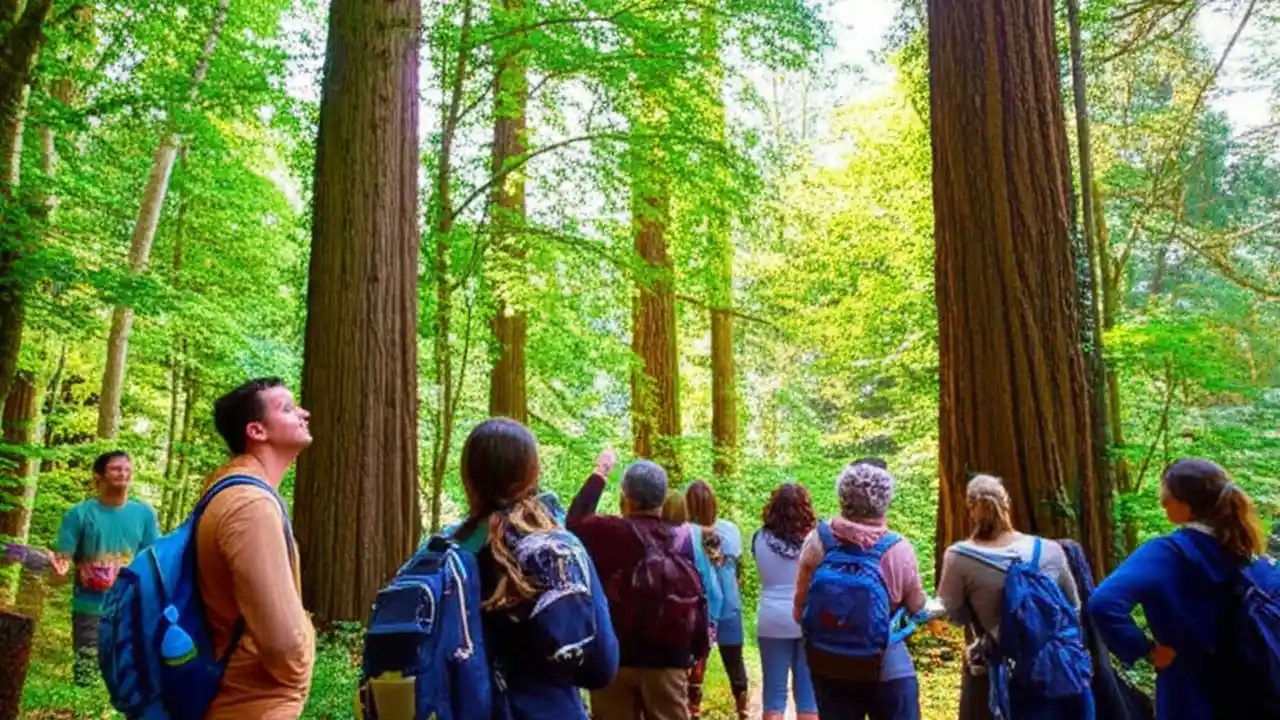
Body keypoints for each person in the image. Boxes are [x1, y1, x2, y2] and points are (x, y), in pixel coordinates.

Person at [447, 419, 618, 719]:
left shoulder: (447, 549)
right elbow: (600, 668)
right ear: (532, 474)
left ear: (468, 478)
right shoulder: (553, 550)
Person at [1088, 458, 1268, 720]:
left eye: (1167, 498)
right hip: (1253, 681)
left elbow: (1103, 602)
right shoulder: (1246, 548)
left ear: (1185, 505)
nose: (1162, 503)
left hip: (1188, 686)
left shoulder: (1168, 553)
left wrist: (1145, 649)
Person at [195, 378, 315, 718]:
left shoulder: (232, 492)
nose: (304, 413)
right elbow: (283, 644)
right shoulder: (250, 506)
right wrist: (303, 656)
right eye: (289, 408)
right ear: (257, 431)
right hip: (251, 705)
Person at [936, 474, 1089, 720]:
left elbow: (951, 611)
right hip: (1064, 668)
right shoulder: (1050, 549)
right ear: (1007, 504)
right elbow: (1074, 607)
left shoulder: (959, 557)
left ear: (971, 509)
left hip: (1014, 673)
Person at [567, 456, 709, 720]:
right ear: (663, 498)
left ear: (626, 496)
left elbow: (573, 524)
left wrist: (600, 472)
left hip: (617, 657)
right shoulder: (680, 536)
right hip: (669, 658)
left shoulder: (611, 532)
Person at [795, 461, 927, 720]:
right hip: (886, 667)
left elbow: (800, 612)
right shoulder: (899, 549)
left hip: (829, 666)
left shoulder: (817, 540)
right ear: (886, 499)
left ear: (843, 497)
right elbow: (916, 606)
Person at [51, 450, 160, 685]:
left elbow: (153, 559)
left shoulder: (144, 515)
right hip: (88, 604)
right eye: (116, 469)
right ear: (98, 476)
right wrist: (59, 569)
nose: (123, 473)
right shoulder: (78, 514)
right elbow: (63, 558)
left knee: (126, 673)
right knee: (86, 669)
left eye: (127, 469)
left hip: (130, 606)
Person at [753, 483, 819, 720]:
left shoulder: (758, 538)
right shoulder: (817, 539)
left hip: (771, 620)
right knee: (808, 695)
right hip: (807, 617)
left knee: (774, 694)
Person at [685, 480, 749, 720]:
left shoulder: (685, 533)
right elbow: (738, 569)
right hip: (730, 603)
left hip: (700, 606)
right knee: (735, 661)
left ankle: (693, 711)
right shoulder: (730, 530)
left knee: (696, 662)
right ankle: (743, 711)